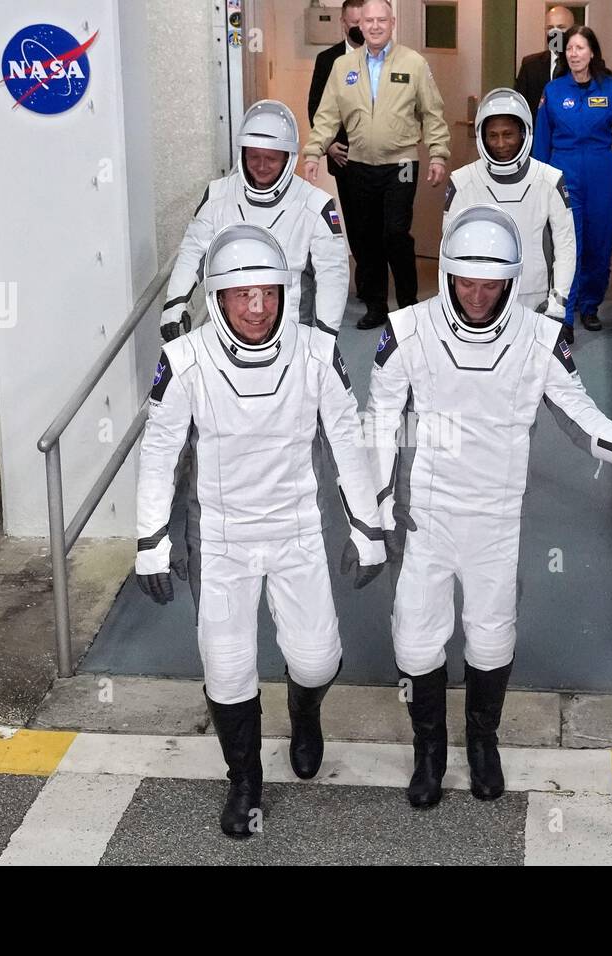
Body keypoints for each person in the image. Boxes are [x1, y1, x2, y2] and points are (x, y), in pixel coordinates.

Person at [363, 205, 612, 809]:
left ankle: (483, 742)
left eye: (489, 284)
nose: (475, 294)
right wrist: (381, 505)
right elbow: (381, 420)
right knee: (416, 642)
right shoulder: (408, 329)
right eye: (465, 280)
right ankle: (430, 753)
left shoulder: (540, 337)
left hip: (496, 518)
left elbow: (582, 417)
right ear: (447, 274)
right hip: (428, 517)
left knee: (491, 642)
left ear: (511, 281)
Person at [135, 223, 386, 838]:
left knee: (318, 657)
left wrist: (368, 524)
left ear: (284, 291)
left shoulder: (317, 352)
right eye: (241, 294)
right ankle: (244, 777)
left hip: (297, 527)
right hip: (221, 536)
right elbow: (159, 452)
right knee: (226, 668)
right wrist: (150, 542)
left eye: (268, 292)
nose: (256, 306)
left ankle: (305, 713)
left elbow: (349, 441)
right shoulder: (185, 359)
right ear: (217, 298)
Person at [303, 0, 450, 331]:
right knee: (366, 236)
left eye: (381, 19)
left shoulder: (413, 63)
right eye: (368, 20)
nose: (374, 26)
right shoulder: (343, 66)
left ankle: (408, 301)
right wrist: (314, 151)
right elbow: (326, 115)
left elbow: (432, 112)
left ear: (392, 22)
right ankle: (376, 304)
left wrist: (438, 153)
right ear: (359, 25)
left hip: (401, 163)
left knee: (395, 232)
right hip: (358, 165)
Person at [159, 100, 347, 340]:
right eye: (254, 156)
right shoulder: (219, 195)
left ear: (288, 158)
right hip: (227, 330)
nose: (261, 166)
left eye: (271, 158)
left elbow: (332, 277)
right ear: (243, 154)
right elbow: (192, 251)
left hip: (291, 336)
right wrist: (174, 304)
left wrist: (326, 335)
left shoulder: (315, 204)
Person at [533, 26, 612, 334]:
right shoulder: (554, 91)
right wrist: (538, 179)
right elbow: (542, 142)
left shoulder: (611, 88)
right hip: (565, 171)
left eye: (580, 48)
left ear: (592, 53)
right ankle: (566, 313)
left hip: (601, 173)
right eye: (570, 48)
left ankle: (590, 306)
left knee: (599, 244)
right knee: (569, 245)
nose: (574, 53)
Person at [442, 87, 576, 339]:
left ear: (523, 133)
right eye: (493, 136)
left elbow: (566, 246)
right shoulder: (462, 181)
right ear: (482, 136)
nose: (501, 144)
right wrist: (451, 303)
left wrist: (558, 302)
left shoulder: (549, 179)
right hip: (479, 302)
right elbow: (448, 252)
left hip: (535, 296)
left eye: (508, 135)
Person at [307, 0, 363, 202]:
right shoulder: (327, 60)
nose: (360, 28)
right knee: (354, 220)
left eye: (363, 21)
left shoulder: (382, 56)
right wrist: (328, 144)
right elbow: (316, 106)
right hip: (343, 157)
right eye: (354, 22)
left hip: (380, 158)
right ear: (343, 22)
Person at [514, 4, 576, 126]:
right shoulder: (530, 65)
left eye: (561, 27)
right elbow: (519, 107)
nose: (555, 32)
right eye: (550, 28)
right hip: (539, 138)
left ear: (573, 30)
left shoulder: (582, 63)